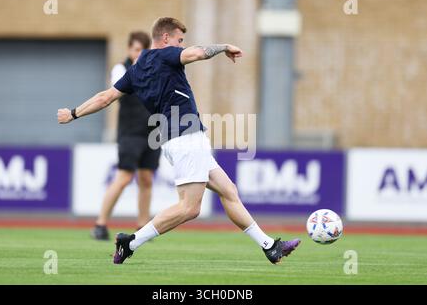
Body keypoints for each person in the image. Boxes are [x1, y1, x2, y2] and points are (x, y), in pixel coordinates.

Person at [58, 17, 300, 265]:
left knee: (228, 191)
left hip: (175, 139)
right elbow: (196, 53)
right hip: (186, 137)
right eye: (179, 39)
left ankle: (270, 246)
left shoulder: (137, 70)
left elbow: (105, 97)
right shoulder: (165, 55)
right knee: (190, 208)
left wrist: (74, 113)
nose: (180, 44)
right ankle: (130, 243)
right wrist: (224, 47)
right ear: (165, 38)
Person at [91, 31, 161, 241]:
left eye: (143, 51)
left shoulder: (153, 69)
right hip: (130, 133)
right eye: (136, 50)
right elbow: (118, 88)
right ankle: (100, 223)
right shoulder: (122, 69)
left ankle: (142, 226)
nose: (139, 54)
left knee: (147, 179)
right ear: (130, 49)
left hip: (152, 132)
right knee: (124, 177)